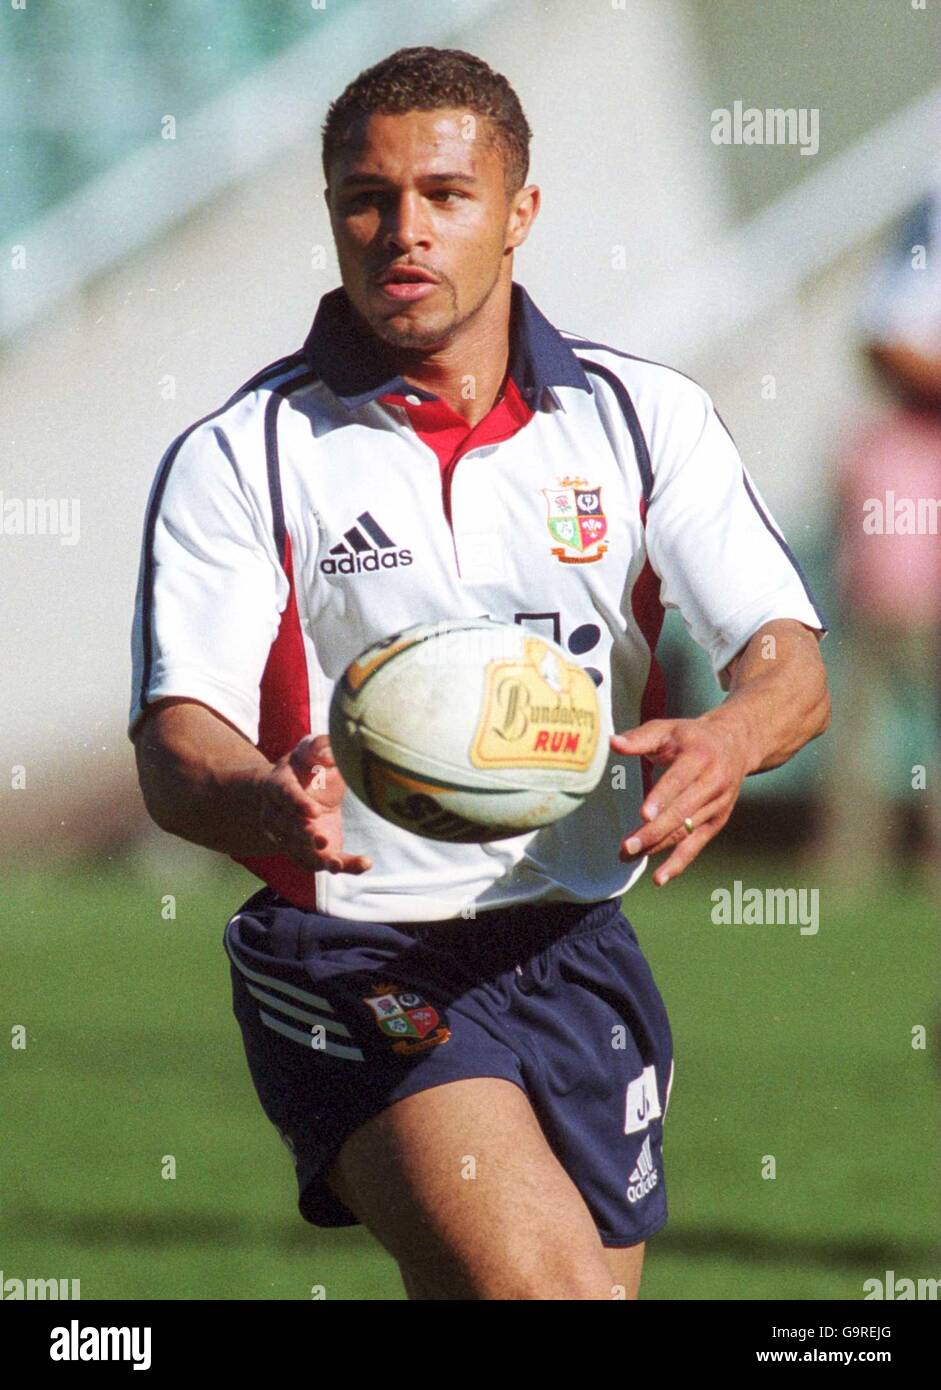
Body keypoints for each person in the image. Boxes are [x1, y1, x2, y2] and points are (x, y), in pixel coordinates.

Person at [129, 47, 830, 1301]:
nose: (402, 231)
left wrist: (729, 737)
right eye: (365, 196)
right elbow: (181, 743)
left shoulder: (640, 419)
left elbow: (785, 661)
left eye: (445, 195)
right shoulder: (245, 454)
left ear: (520, 213)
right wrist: (261, 794)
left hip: (575, 939)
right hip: (350, 951)